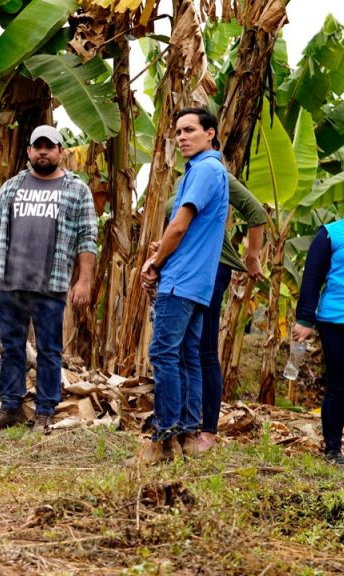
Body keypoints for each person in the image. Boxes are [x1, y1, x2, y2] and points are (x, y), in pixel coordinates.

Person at [0, 125, 98, 434]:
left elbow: (88, 237)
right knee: (11, 348)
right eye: (37, 146)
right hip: (11, 282)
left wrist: (83, 281)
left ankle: (45, 412)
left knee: (49, 350)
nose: (43, 151)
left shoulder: (77, 189)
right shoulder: (12, 186)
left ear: (60, 152)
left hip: (50, 284)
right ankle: (11, 407)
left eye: (50, 146)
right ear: (29, 151)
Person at [136, 107, 229, 464]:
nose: (182, 138)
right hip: (199, 282)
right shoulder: (214, 170)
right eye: (177, 132)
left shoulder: (204, 170)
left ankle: (162, 440)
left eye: (190, 130)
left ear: (210, 133)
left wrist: (155, 262)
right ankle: (188, 436)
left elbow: (180, 225)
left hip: (181, 280)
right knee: (189, 357)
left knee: (164, 354)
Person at [292, 174, 344, 467]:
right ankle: (333, 450)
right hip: (338, 320)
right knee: (340, 385)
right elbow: (312, 278)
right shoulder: (332, 233)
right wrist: (304, 319)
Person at [187, 173, 266, 452]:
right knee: (182, 348)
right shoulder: (188, 176)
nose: (184, 148)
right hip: (185, 266)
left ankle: (208, 431)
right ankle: (183, 424)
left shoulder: (215, 173)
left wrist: (253, 256)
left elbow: (256, 211)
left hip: (211, 265)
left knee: (205, 348)